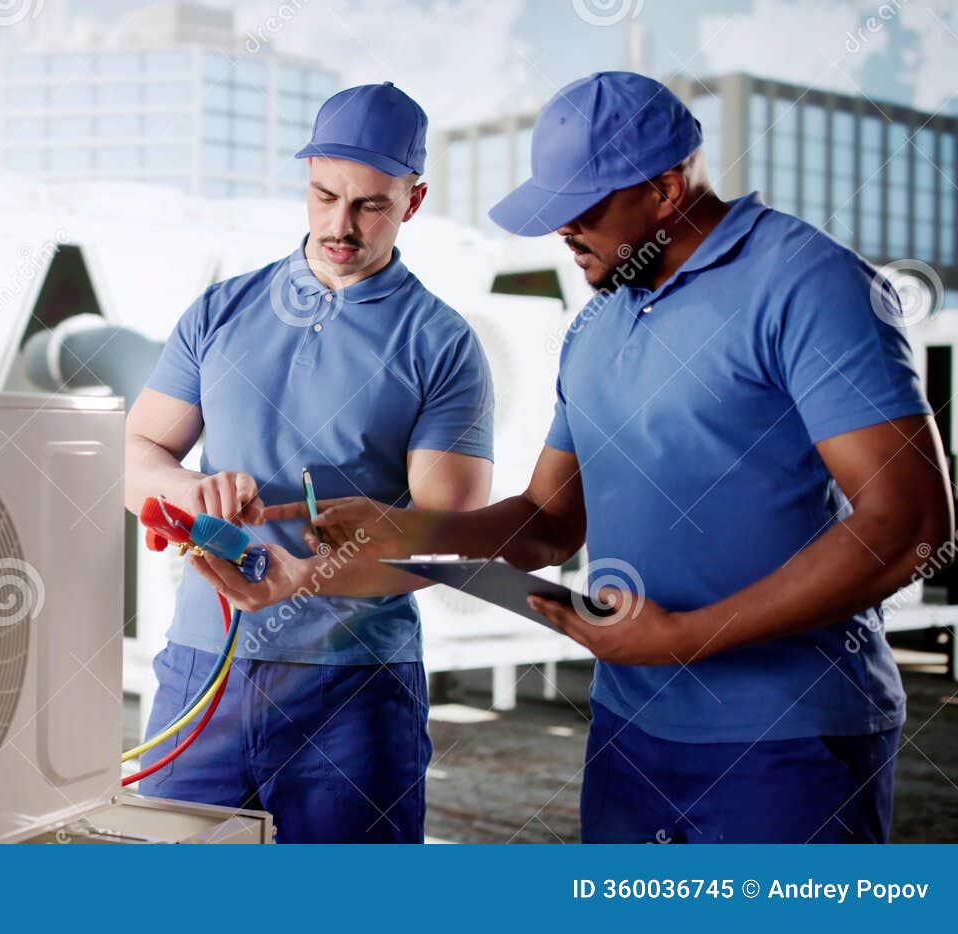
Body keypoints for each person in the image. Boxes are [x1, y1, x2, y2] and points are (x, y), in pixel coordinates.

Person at [267, 72, 953, 843]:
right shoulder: (596, 328)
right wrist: (414, 531)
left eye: (581, 209)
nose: (561, 231)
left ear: (665, 189)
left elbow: (912, 523)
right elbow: (548, 522)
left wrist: (684, 638)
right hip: (630, 734)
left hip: (787, 742)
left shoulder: (809, 283)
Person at [124, 82, 494, 843]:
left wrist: (310, 578)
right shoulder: (220, 311)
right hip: (204, 669)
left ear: (412, 201)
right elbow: (135, 454)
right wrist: (193, 490)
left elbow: (445, 540)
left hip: (352, 696)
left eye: (370, 206)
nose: (340, 226)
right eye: (324, 195)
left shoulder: (441, 345)